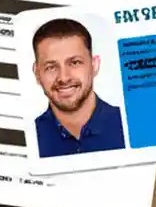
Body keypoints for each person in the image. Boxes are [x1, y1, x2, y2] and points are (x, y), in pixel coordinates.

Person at [31, 18, 127, 157]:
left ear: (94, 65)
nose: (63, 78)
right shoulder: (29, 139)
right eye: (51, 67)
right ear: (37, 73)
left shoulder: (130, 128)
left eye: (75, 63)